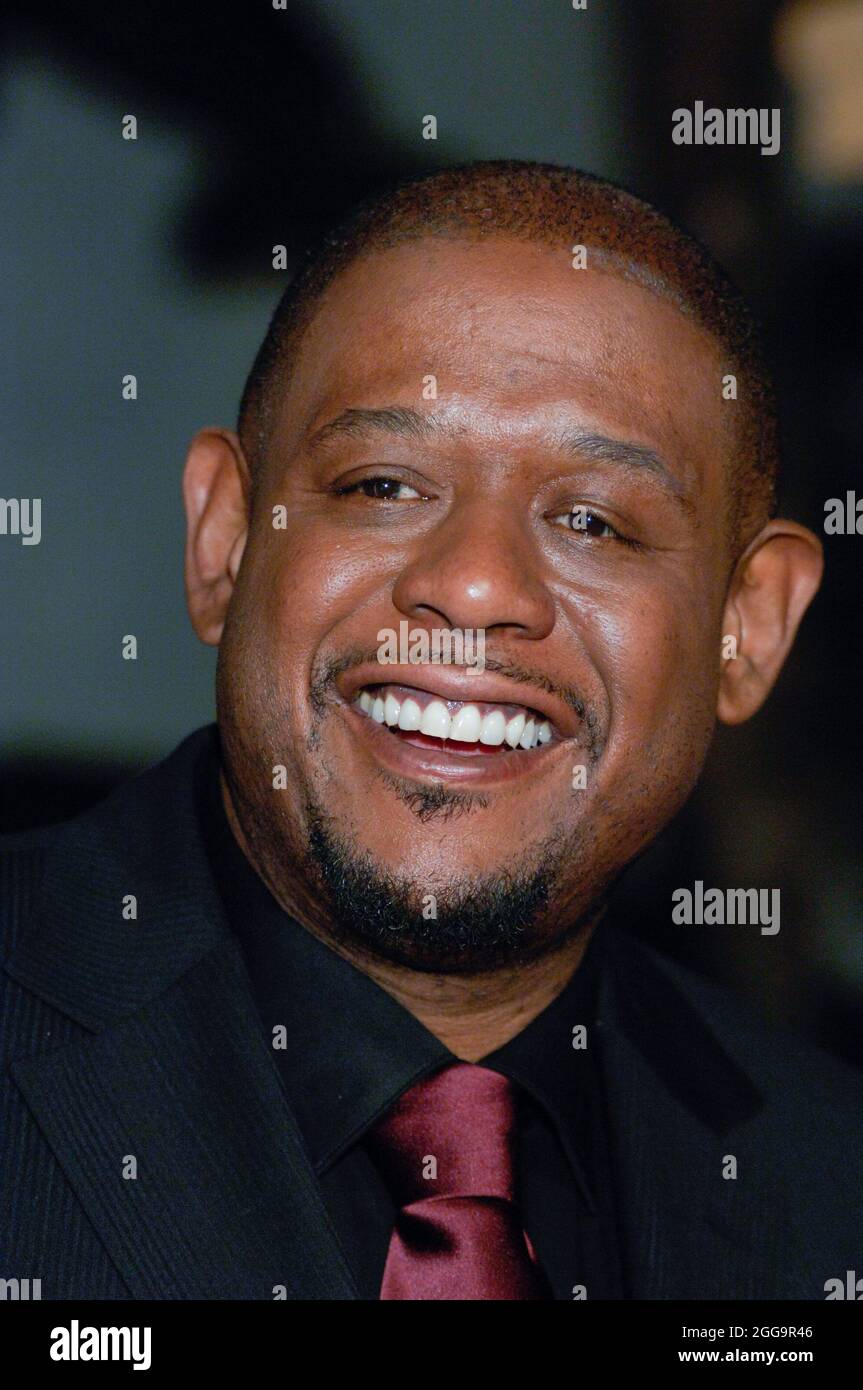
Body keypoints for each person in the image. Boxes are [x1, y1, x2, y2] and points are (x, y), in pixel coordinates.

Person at [2, 161, 859, 1301]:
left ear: (745, 630)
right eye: (382, 486)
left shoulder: (829, 1183)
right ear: (222, 540)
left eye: (593, 520)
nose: (471, 585)